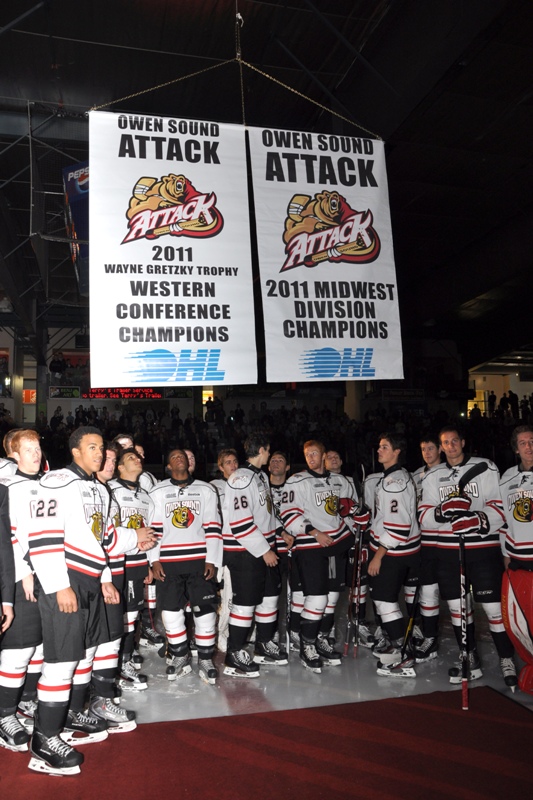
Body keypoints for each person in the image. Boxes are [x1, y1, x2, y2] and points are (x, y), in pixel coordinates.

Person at [27, 427, 117, 775]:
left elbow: (103, 539)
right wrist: (58, 584)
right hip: (66, 578)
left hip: (91, 580)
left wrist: (106, 577)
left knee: (81, 656)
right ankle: (44, 738)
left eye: (102, 447)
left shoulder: (100, 488)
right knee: (63, 659)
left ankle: (63, 721)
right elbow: (43, 536)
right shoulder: (57, 482)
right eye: (92, 447)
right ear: (75, 451)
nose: (99, 452)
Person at [418, 426, 516, 689]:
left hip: (482, 550)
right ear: (440, 447)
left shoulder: (485, 467)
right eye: (445, 443)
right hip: (448, 553)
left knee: (494, 609)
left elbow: (500, 506)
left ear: (462, 442)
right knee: (458, 610)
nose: (450, 446)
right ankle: (469, 656)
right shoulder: (432, 476)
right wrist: (441, 512)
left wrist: (478, 519)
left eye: (454, 441)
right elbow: (424, 516)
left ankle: (506, 658)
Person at [280, 440, 366, 673]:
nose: (310, 457)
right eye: (307, 454)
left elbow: (351, 510)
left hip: (336, 545)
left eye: (315, 453)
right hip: (311, 546)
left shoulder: (340, 481)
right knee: (317, 598)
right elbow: (287, 514)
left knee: (332, 600)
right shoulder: (297, 481)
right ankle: (307, 645)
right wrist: (314, 532)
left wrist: (357, 517)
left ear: (324, 455)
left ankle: (321, 639)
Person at [150, 449, 222, 684]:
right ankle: (180, 655)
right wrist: (154, 560)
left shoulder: (206, 489)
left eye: (183, 455)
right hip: (169, 562)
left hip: (199, 561)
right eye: (173, 456)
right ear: (168, 466)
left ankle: (204, 658)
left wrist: (212, 559)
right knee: (171, 612)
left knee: (205, 612)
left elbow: (213, 526)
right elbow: (154, 529)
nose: (179, 458)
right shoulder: (158, 490)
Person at [224, 434, 286, 677]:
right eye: (268, 451)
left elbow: (265, 514)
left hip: (265, 548)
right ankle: (234, 653)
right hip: (246, 552)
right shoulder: (240, 478)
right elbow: (240, 525)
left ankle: (263, 643)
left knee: (270, 598)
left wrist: (280, 534)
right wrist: (264, 551)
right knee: (245, 603)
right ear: (262, 449)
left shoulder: (259, 475)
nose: (270, 456)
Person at [0, 430, 43, 752]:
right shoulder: (9, 487)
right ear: (12, 455)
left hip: (50, 576)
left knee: (41, 647)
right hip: (20, 576)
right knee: (20, 648)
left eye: (37, 447)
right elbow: (9, 536)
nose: (35, 453)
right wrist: (25, 572)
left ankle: (26, 701)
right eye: (27, 449)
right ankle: (4, 714)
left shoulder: (47, 483)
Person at [366, 433, 421, 677]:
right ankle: (397, 644)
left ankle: (403, 654)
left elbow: (398, 527)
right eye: (379, 446)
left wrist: (378, 555)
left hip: (394, 551)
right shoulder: (394, 476)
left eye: (385, 447)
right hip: (402, 548)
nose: (379, 450)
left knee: (384, 601)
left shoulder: (394, 482)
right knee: (385, 600)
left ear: (397, 451)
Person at [108, 447, 156, 692]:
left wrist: (148, 561)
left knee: (133, 617)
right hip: (118, 564)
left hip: (138, 564)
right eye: (130, 458)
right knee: (120, 618)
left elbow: (149, 533)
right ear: (119, 466)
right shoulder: (111, 491)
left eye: (138, 456)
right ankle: (112, 667)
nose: (137, 459)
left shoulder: (147, 496)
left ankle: (124, 662)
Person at [324, 449, 374, 649]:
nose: (333, 459)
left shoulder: (350, 482)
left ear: (342, 461)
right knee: (331, 589)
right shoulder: (320, 483)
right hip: (332, 542)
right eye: (329, 457)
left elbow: (359, 509)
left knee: (359, 585)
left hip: (353, 539)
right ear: (324, 462)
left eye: (337, 456)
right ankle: (326, 629)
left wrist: (361, 526)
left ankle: (358, 622)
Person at [499, 425, 533, 691]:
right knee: (520, 622)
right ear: (516, 448)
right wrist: (504, 555)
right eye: (523, 443)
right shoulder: (507, 478)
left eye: (532, 441)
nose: (528, 447)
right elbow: (503, 521)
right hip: (519, 560)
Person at [411, 434, 442, 662]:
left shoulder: (452, 473)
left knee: (455, 596)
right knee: (428, 591)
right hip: (425, 541)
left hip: (451, 540)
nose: (427, 452)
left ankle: (467, 649)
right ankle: (430, 637)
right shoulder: (415, 477)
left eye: (430, 448)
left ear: (439, 449)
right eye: (423, 448)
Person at [211, 448, 239, 653]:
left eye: (235, 461)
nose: (233, 465)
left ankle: (243, 631)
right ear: (221, 467)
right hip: (222, 547)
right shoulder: (214, 487)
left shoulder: (246, 483)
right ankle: (223, 633)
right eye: (228, 462)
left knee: (241, 594)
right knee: (227, 594)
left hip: (244, 545)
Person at [268, 452, 295, 650]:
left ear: (287, 468)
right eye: (273, 460)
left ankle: (295, 631)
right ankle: (271, 631)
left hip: (293, 547)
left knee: (296, 593)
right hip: (270, 547)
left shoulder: (295, 487)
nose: (276, 463)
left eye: (281, 460)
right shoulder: (262, 487)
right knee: (271, 594)